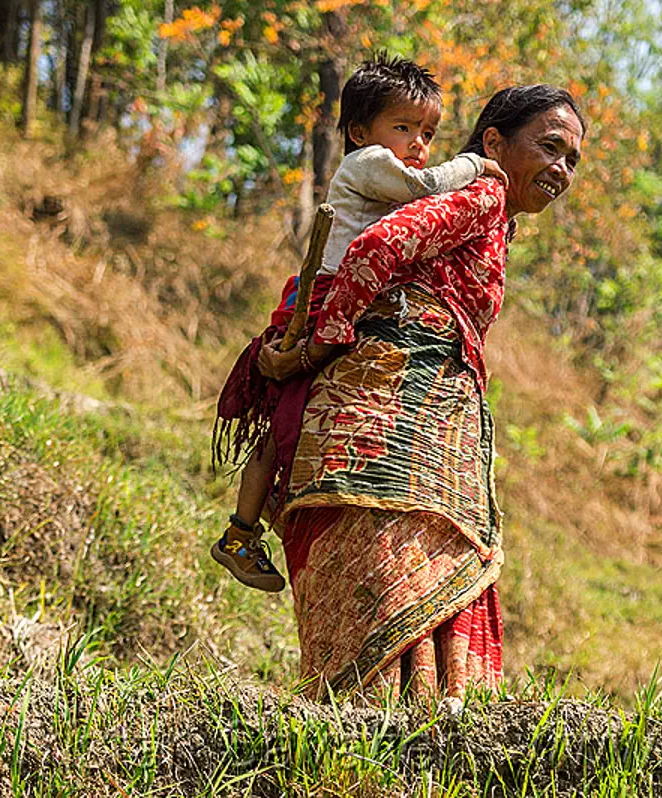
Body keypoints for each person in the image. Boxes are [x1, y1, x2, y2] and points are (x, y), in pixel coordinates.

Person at [256, 85, 585, 700]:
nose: (561, 170)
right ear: (493, 142)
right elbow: (376, 247)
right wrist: (323, 342)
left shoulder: (492, 214)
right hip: (386, 424)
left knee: (410, 597)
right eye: (550, 147)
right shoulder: (481, 192)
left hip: (403, 424)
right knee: (393, 586)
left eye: (572, 160)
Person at [212, 53, 507, 592]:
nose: (419, 143)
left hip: (333, 293)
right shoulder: (369, 162)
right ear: (358, 131)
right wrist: (476, 166)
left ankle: (249, 526)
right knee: (286, 415)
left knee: (293, 420)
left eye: (428, 132)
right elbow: (424, 193)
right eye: (404, 127)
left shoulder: (381, 163)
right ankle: (241, 530)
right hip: (324, 295)